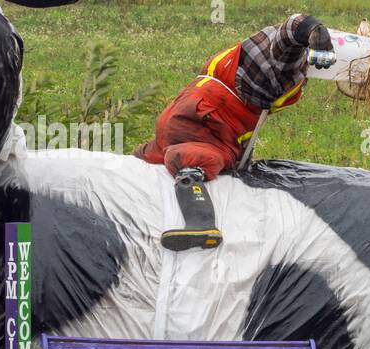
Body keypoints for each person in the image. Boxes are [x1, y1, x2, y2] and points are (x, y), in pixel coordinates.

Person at [135, 13, 334, 251]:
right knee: (193, 158)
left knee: (144, 156)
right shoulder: (281, 64)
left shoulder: (252, 51)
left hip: (183, 115)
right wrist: (317, 33)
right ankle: (201, 224)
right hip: (204, 125)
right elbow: (295, 24)